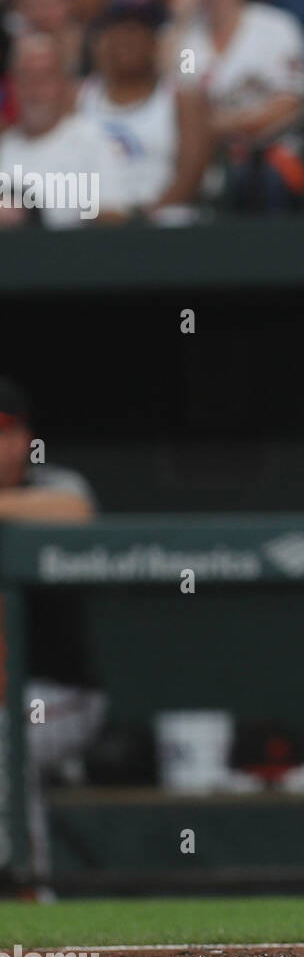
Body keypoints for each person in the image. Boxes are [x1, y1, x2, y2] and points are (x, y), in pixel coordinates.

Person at [0, 378, 106, 894]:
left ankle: (29, 891)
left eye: (6, 431)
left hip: (61, 695)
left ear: (25, 438)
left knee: (5, 739)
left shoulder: (54, 487)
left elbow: (77, 513)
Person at [174, 0, 304, 212]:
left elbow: (290, 106)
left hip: (271, 156)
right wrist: (177, 24)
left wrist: (217, 127)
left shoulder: (275, 27)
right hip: (205, 165)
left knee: (251, 178)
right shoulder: (187, 41)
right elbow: (178, 106)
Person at [78, 0, 211, 214]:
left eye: (134, 31)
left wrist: (141, 221)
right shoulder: (81, 96)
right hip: (92, 220)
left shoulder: (181, 99)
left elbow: (191, 175)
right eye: (116, 31)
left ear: (154, 41)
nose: (124, 40)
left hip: (162, 222)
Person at [0, 33, 130, 228]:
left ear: (65, 84)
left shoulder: (94, 141)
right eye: (25, 77)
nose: (34, 89)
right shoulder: (4, 145)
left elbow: (113, 216)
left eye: (45, 77)